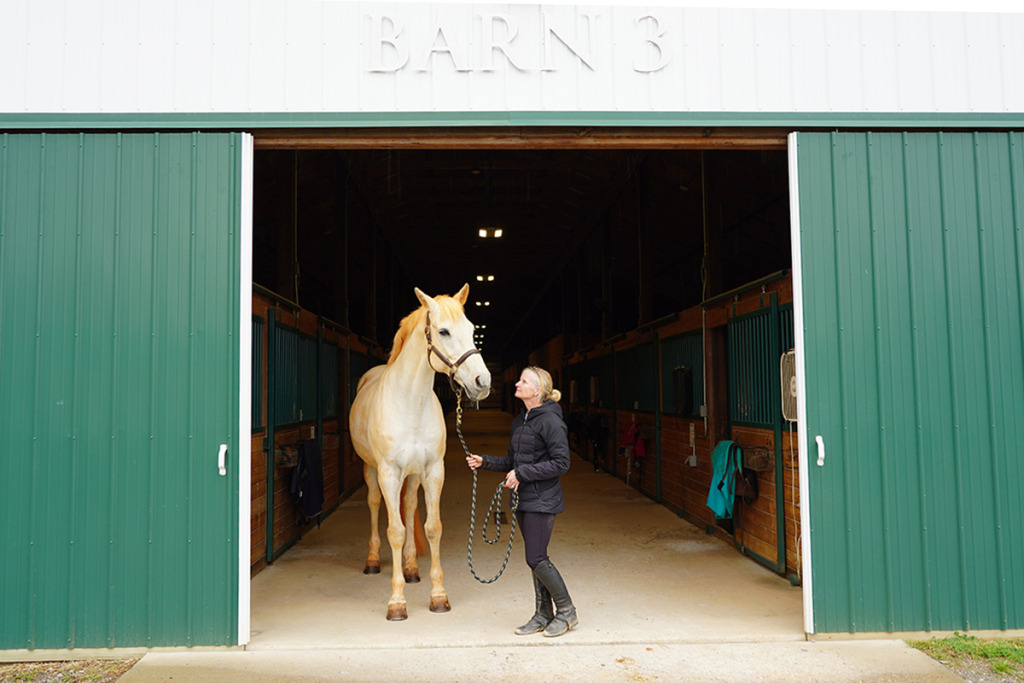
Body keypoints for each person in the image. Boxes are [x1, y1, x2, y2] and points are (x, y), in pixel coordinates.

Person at [466, 365, 578, 637]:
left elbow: (562, 462)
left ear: (537, 390)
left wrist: (523, 473)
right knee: (534, 559)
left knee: (537, 557)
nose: (517, 384)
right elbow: (513, 462)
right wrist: (486, 462)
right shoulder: (521, 420)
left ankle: (566, 611)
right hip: (524, 498)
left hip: (543, 499)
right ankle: (543, 614)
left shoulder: (550, 420)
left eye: (523, 381)